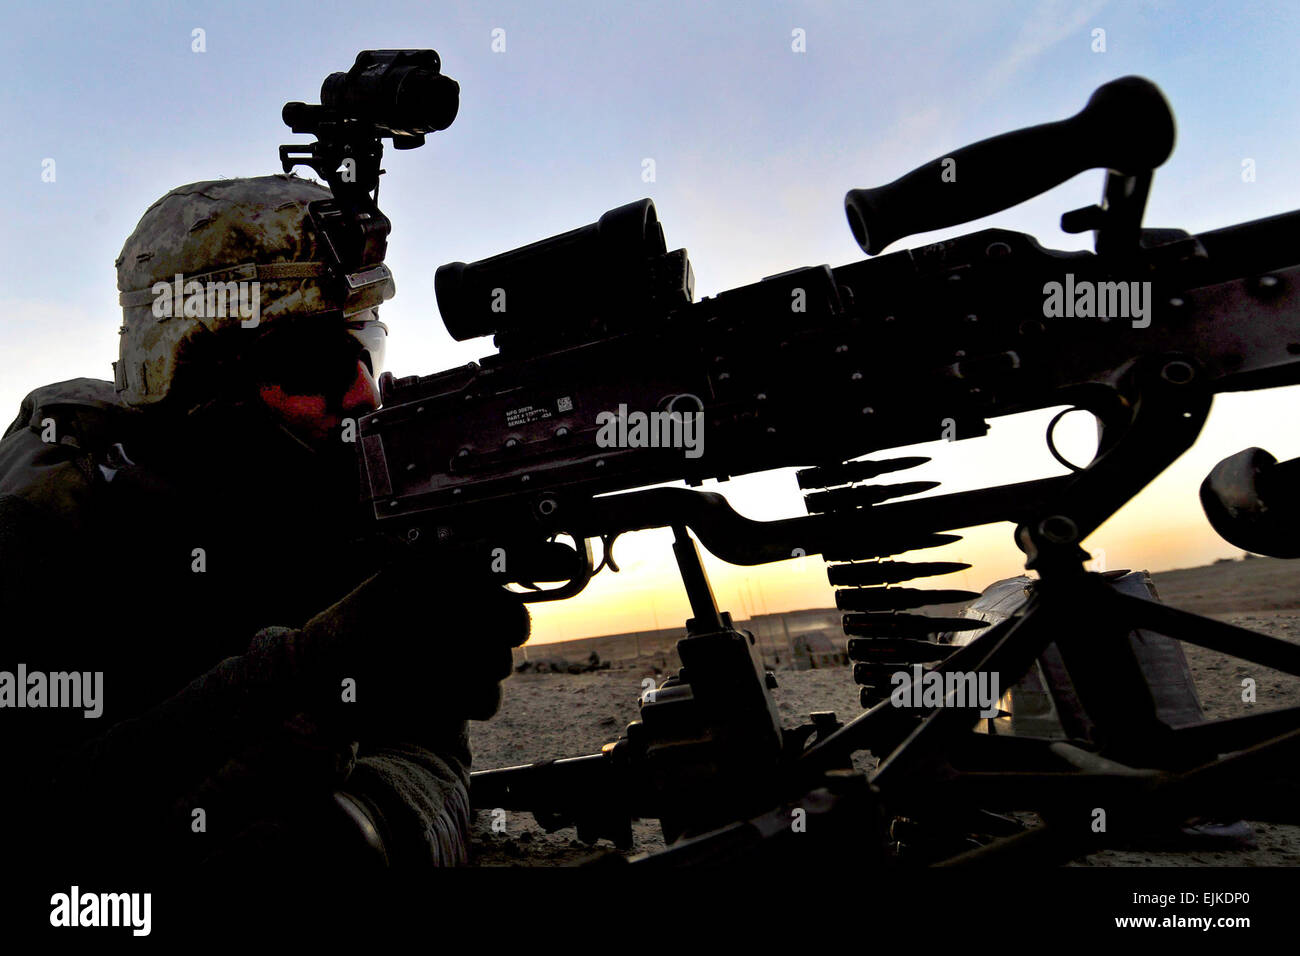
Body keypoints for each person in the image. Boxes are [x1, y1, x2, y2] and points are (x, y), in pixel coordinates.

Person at [0, 173, 528, 873]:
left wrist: (375, 798)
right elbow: (32, 809)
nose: (361, 393)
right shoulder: (50, 522)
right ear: (200, 378)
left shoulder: (325, 481)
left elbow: (427, 739)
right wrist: (303, 669)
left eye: (366, 346)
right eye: (312, 364)